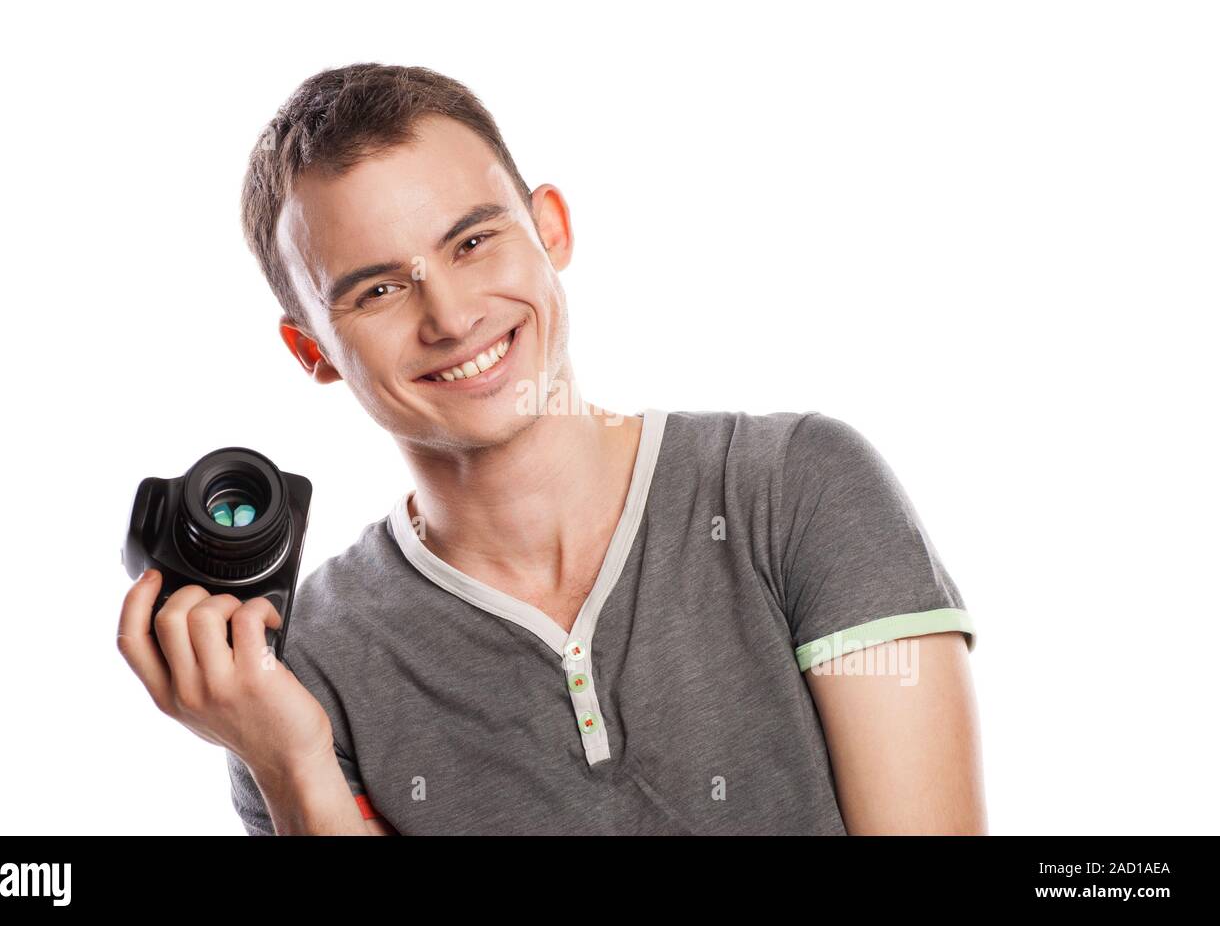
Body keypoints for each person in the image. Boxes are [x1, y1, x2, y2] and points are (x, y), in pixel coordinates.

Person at [117, 63, 985, 835]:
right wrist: (290, 765)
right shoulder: (300, 674)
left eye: (473, 241)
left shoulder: (796, 490)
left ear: (552, 229)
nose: (451, 318)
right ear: (312, 352)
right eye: (378, 289)